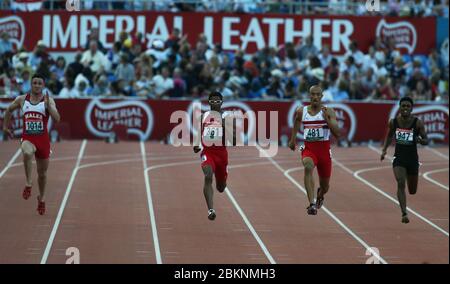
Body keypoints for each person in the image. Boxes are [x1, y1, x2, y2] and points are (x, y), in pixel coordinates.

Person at [2, 74, 61, 215]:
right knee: (27, 152)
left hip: (43, 140)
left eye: (40, 83)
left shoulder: (49, 101)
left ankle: (42, 198)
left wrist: (49, 108)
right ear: (31, 84)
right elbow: (9, 110)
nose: (37, 85)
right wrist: (5, 126)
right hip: (28, 137)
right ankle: (28, 183)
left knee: (42, 174)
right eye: (34, 83)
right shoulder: (22, 99)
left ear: (43, 85)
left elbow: (57, 119)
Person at [289, 85, 341, 215]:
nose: (315, 97)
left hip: (324, 151)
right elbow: (296, 121)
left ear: (322, 96)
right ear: (309, 95)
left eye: (318, 94)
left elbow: (338, 133)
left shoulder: (329, 111)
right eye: (313, 94)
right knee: (307, 166)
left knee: (325, 187)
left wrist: (327, 121)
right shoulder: (302, 111)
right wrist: (293, 139)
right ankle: (311, 204)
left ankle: (320, 194)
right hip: (309, 149)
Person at [380, 97, 428, 223]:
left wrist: (420, 140)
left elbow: (426, 140)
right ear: (400, 107)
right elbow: (389, 136)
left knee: (412, 191)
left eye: (408, 106)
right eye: (403, 106)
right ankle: (404, 213)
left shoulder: (417, 123)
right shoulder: (393, 122)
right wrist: (384, 150)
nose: (405, 108)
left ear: (411, 108)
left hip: (412, 159)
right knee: (401, 182)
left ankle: (409, 175)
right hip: (399, 158)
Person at [193, 91, 234, 220]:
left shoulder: (227, 116)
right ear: (209, 102)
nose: (215, 104)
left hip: (221, 155)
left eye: (218, 101)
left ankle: (222, 179)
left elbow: (233, 140)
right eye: (213, 101)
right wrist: (196, 144)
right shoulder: (203, 116)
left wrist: (223, 124)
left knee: (221, 188)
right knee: (208, 176)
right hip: (208, 152)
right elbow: (198, 134)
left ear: (221, 102)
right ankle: (211, 210)